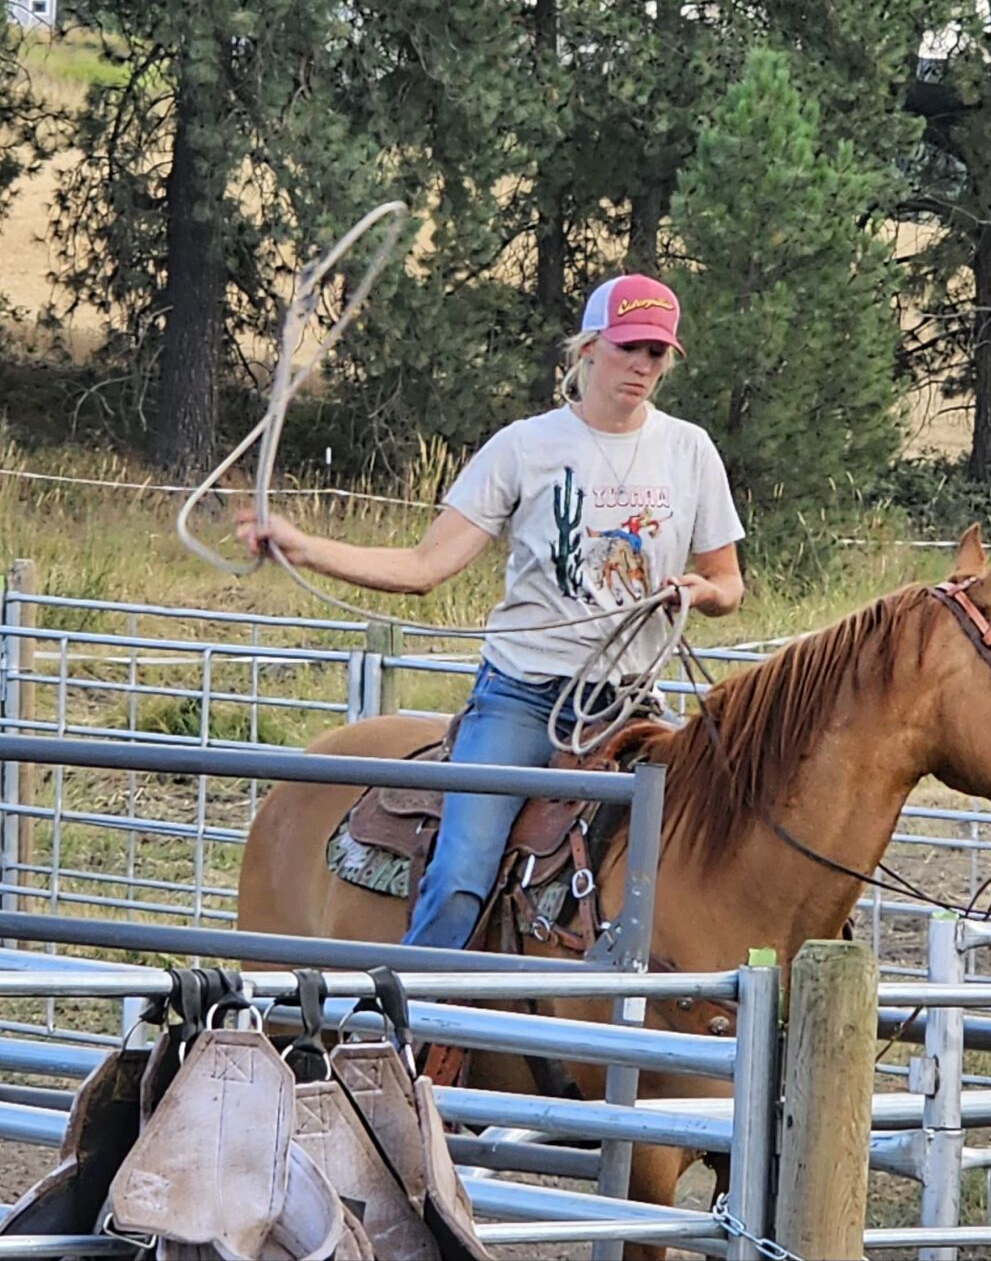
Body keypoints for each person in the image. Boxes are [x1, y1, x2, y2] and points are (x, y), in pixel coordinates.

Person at [235, 272, 745, 950]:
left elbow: (727, 582)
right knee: (460, 875)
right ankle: (409, 1032)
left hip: (631, 709)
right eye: (628, 348)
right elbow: (424, 568)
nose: (642, 367)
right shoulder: (525, 446)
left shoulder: (689, 449)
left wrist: (699, 592)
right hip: (523, 701)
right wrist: (305, 548)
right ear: (587, 348)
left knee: (704, 861)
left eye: (656, 353)